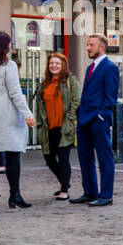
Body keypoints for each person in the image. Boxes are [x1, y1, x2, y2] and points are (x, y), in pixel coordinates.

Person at [0, 32, 36, 209]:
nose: (11, 47)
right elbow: (15, 93)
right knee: (12, 157)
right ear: (4, 46)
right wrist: (28, 114)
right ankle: (15, 195)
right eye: (9, 44)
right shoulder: (8, 66)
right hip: (8, 117)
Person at [69, 34, 119, 207]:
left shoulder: (109, 67)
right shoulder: (91, 67)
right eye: (87, 44)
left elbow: (111, 96)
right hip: (84, 120)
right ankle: (90, 193)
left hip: (98, 120)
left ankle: (106, 196)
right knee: (85, 158)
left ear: (102, 47)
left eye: (91, 45)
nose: (88, 48)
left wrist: (102, 116)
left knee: (105, 158)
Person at [34, 51, 80, 200]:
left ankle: (64, 190)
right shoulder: (45, 84)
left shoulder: (70, 80)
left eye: (57, 63)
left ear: (63, 65)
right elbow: (40, 106)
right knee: (49, 158)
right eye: (51, 63)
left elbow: (76, 100)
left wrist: (70, 118)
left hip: (64, 126)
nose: (54, 65)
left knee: (63, 158)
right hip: (48, 128)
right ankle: (64, 182)